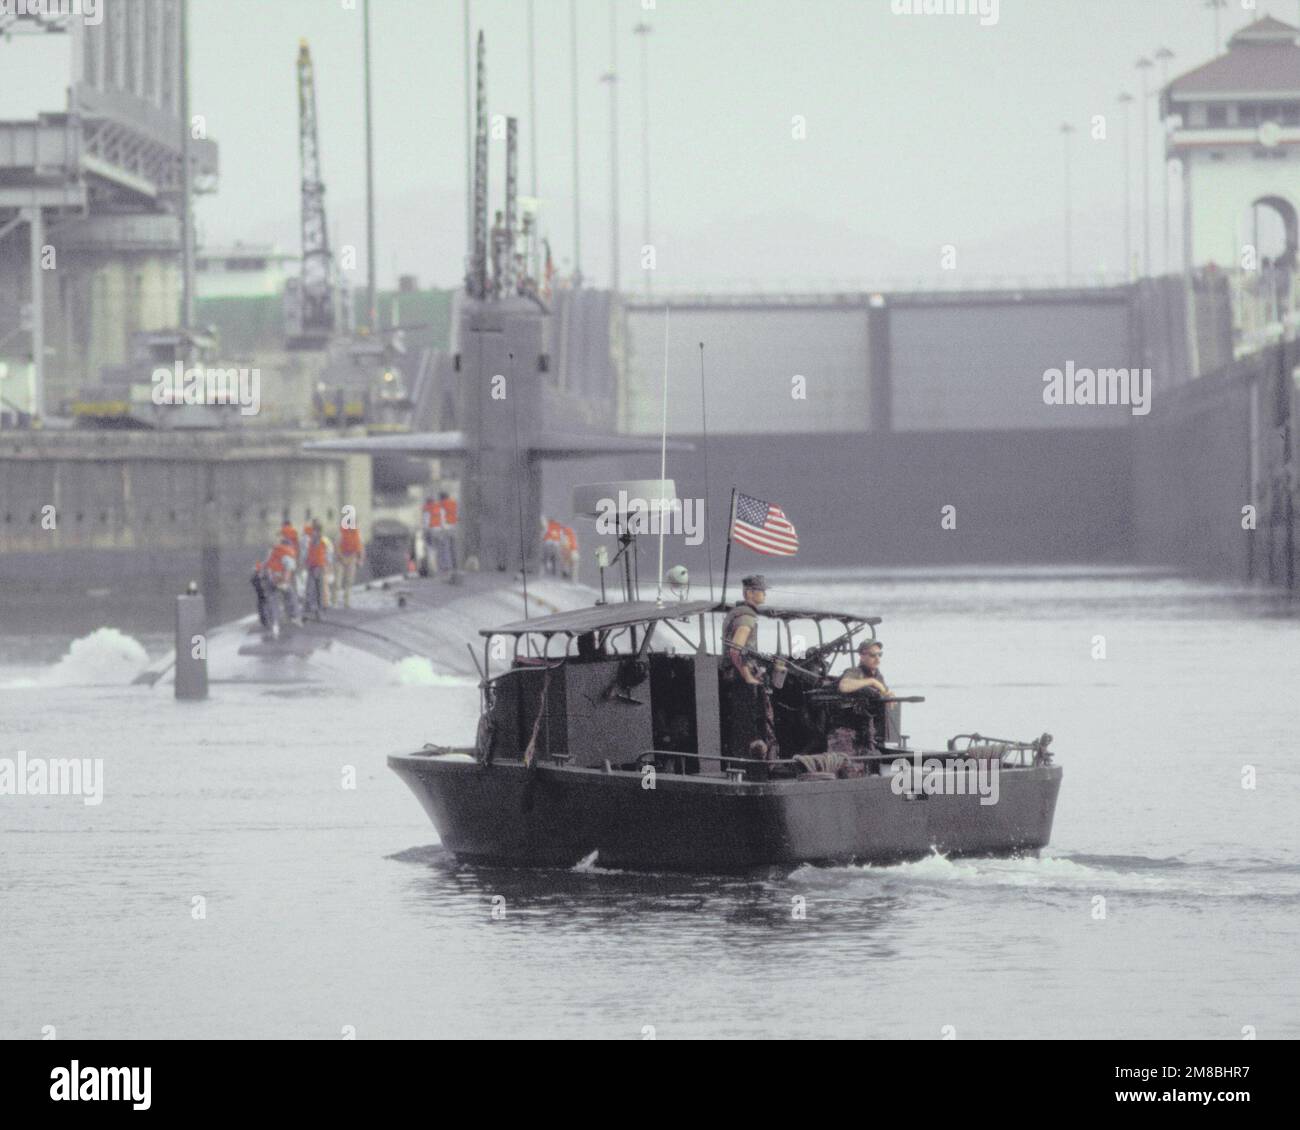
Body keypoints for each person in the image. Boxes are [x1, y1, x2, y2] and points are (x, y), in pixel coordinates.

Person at [719, 574, 778, 767]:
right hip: (741, 679)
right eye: (761, 591)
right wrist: (748, 676)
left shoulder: (737, 613)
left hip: (735, 677)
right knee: (749, 725)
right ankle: (751, 765)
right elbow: (736, 650)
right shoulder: (746, 618)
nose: (764, 596)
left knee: (743, 724)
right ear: (750, 593)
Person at [837, 640, 891, 752]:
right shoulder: (856, 672)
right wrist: (871, 681)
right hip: (850, 729)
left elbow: (883, 692)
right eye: (872, 655)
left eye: (879, 654)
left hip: (871, 729)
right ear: (862, 656)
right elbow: (844, 685)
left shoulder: (877, 675)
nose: (877, 659)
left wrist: (887, 694)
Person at [336, 520, 364, 608]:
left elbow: (360, 548)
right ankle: (334, 601)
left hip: (352, 557)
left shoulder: (357, 535)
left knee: (349, 581)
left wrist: (360, 560)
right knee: (338, 581)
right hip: (340, 558)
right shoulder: (341, 534)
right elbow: (337, 547)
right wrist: (343, 558)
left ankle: (346, 602)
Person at [305, 524, 328, 620]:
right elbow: (310, 555)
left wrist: (318, 568)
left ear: (318, 532)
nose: (312, 533)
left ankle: (319, 612)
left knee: (318, 591)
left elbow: (320, 557)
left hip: (318, 568)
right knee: (311, 590)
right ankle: (313, 610)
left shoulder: (320, 542)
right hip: (312, 567)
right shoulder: (311, 542)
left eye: (314, 531)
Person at [436, 491, 458, 573]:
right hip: (453, 527)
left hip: (445, 528)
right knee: (453, 548)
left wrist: (441, 529)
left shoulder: (441, 505)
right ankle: (455, 565)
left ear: (441, 498)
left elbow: (441, 517)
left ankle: (447, 567)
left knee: (445, 548)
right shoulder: (453, 503)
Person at [421, 495, 442, 575]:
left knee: (430, 550)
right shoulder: (437, 508)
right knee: (437, 550)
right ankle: (437, 568)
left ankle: (431, 569)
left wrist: (424, 531)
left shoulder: (426, 509)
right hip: (437, 530)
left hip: (430, 531)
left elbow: (426, 521)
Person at [251, 561, 271, 629]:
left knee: (264, 607)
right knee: (262, 607)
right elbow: (254, 582)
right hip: (261, 594)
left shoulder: (263, 575)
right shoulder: (257, 577)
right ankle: (265, 621)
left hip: (263, 594)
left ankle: (266, 621)